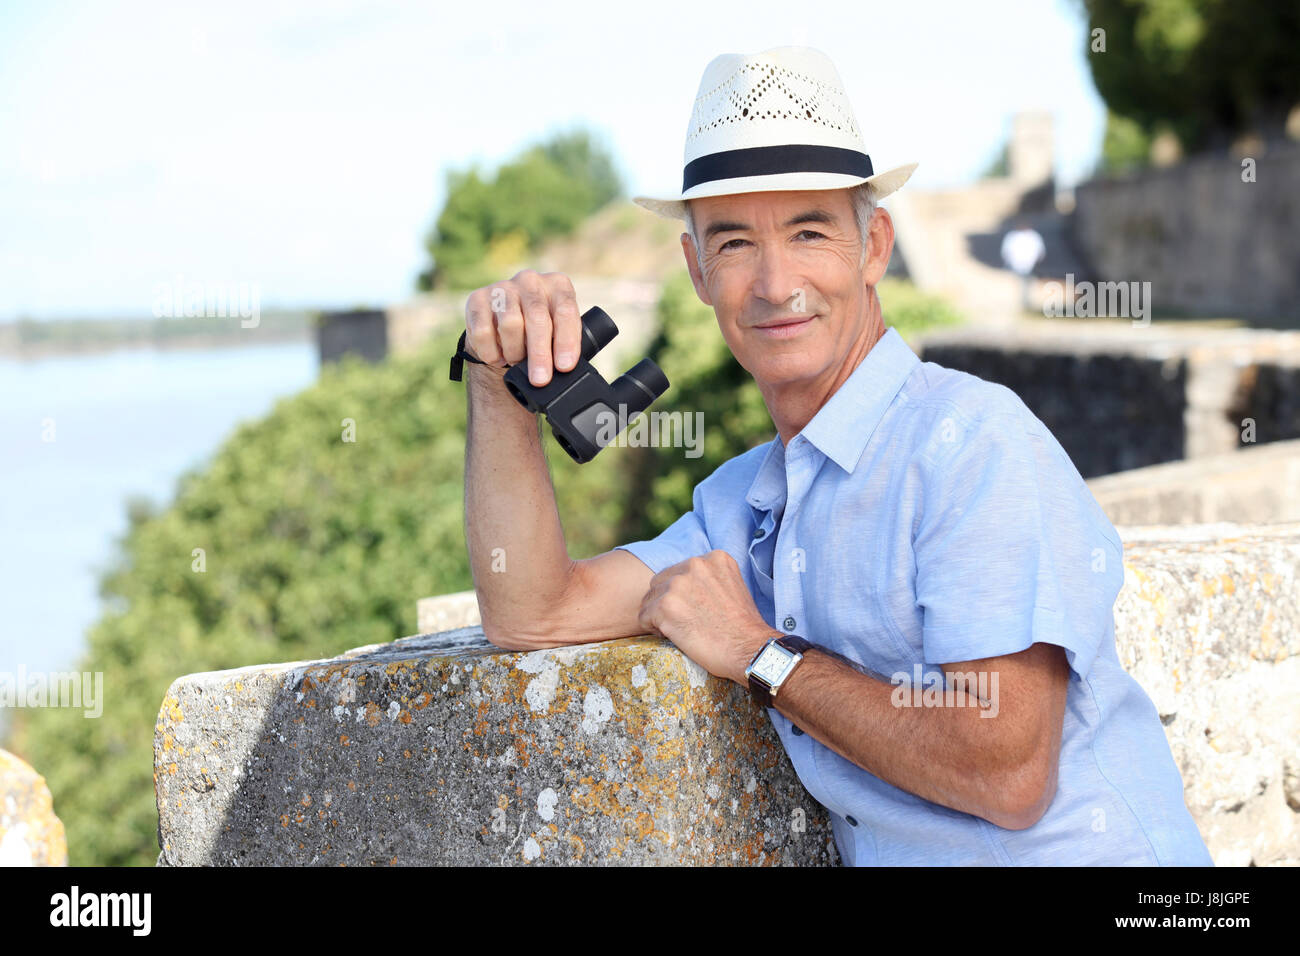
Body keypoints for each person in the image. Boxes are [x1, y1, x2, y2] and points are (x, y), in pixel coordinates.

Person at [454, 46, 1212, 866]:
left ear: (874, 245)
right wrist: (496, 384)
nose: (776, 284)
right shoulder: (740, 501)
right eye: (735, 242)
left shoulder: (973, 443)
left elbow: (1008, 771)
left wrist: (759, 653)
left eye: (809, 230)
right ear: (697, 270)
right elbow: (533, 614)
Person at [1001, 218, 1046, 312]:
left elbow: (1039, 250)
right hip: (1017, 265)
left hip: (1030, 265)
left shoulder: (1033, 236)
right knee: (1020, 284)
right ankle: (1021, 303)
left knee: (1026, 284)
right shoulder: (1013, 236)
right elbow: (1007, 250)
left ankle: (1025, 302)